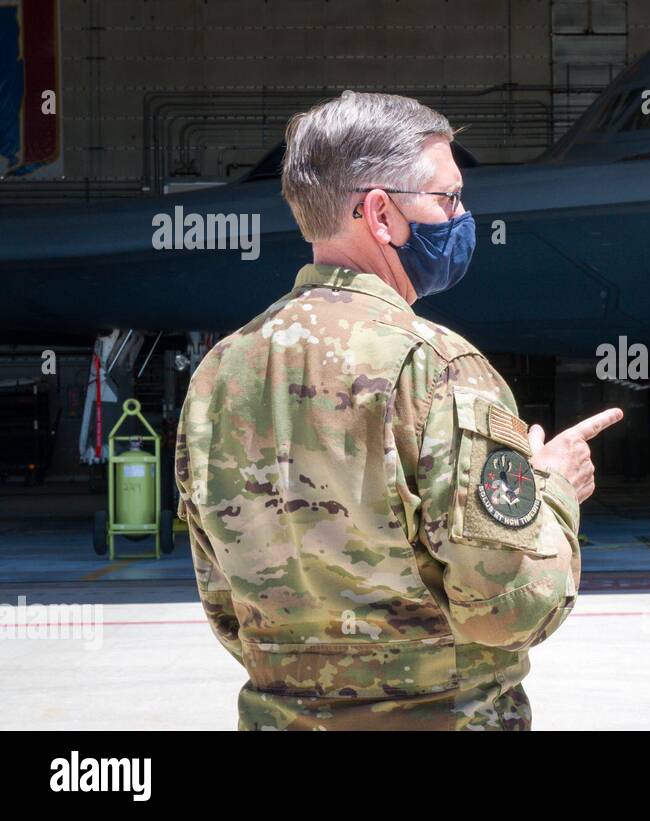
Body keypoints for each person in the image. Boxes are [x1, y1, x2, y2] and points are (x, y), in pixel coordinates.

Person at [175, 91, 622, 730]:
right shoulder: (436, 366)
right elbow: (510, 610)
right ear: (380, 213)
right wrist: (552, 486)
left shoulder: (219, 373)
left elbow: (227, 609)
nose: (463, 216)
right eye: (448, 199)